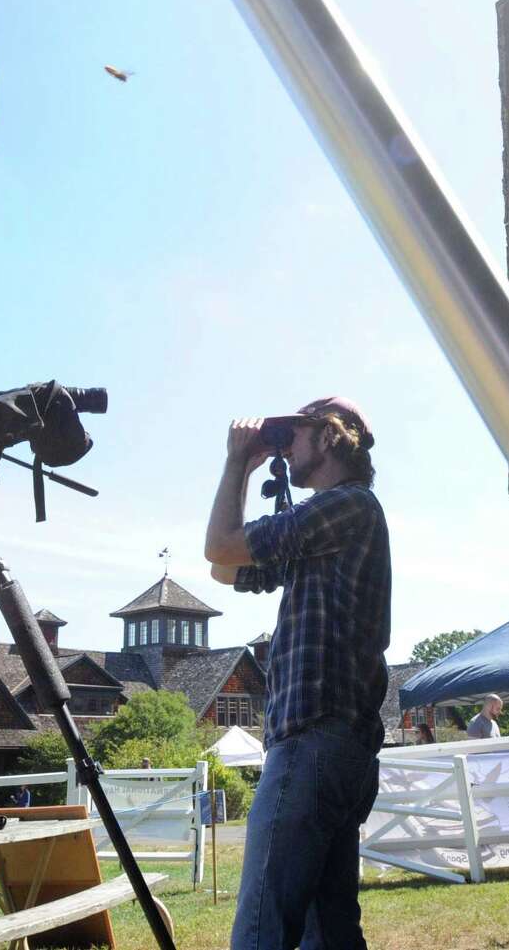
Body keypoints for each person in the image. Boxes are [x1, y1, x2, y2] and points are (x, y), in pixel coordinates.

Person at [205, 397, 389, 950]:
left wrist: (237, 462)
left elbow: (218, 544)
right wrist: (245, 469)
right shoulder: (329, 524)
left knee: (264, 927)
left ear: (332, 437)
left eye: (297, 431)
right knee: (328, 930)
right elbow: (222, 567)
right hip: (336, 749)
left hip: (311, 739)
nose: (287, 443)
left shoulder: (347, 505)